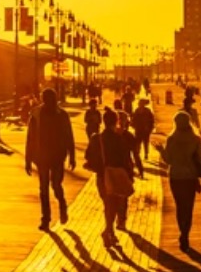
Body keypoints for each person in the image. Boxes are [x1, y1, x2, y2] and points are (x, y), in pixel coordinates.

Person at [85, 108, 143, 245]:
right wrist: (130, 174)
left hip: (101, 176)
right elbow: (124, 159)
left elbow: (88, 156)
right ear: (116, 121)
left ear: (103, 121)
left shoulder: (95, 138)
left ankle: (109, 232)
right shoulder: (119, 139)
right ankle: (108, 231)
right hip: (116, 176)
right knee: (114, 205)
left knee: (107, 204)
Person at [25, 88, 77, 231]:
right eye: (45, 99)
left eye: (50, 99)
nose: (47, 102)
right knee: (43, 188)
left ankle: (62, 204)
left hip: (57, 155)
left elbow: (68, 135)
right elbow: (30, 137)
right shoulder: (36, 114)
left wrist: (72, 156)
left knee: (55, 185)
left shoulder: (62, 115)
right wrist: (28, 159)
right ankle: (45, 219)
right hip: (41, 156)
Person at [159, 110, 201, 252]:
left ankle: (182, 232)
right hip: (190, 177)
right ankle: (186, 233)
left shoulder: (171, 139)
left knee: (179, 206)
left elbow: (168, 160)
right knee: (189, 207)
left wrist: (161, 150)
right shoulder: (195, 139)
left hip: (175, 177)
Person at [130, 99, 156, 164]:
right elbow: (133, 120)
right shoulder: (136, 111)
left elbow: (151, 120)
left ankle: (146, 154)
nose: (140, 105)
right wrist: (134, 126)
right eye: (139, 103)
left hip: (145, 130)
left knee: (145, 142)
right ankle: (138, 154)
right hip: (138, 129)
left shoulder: (148, 111)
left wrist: (150, 128)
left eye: (141, 103)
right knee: (138, 143)